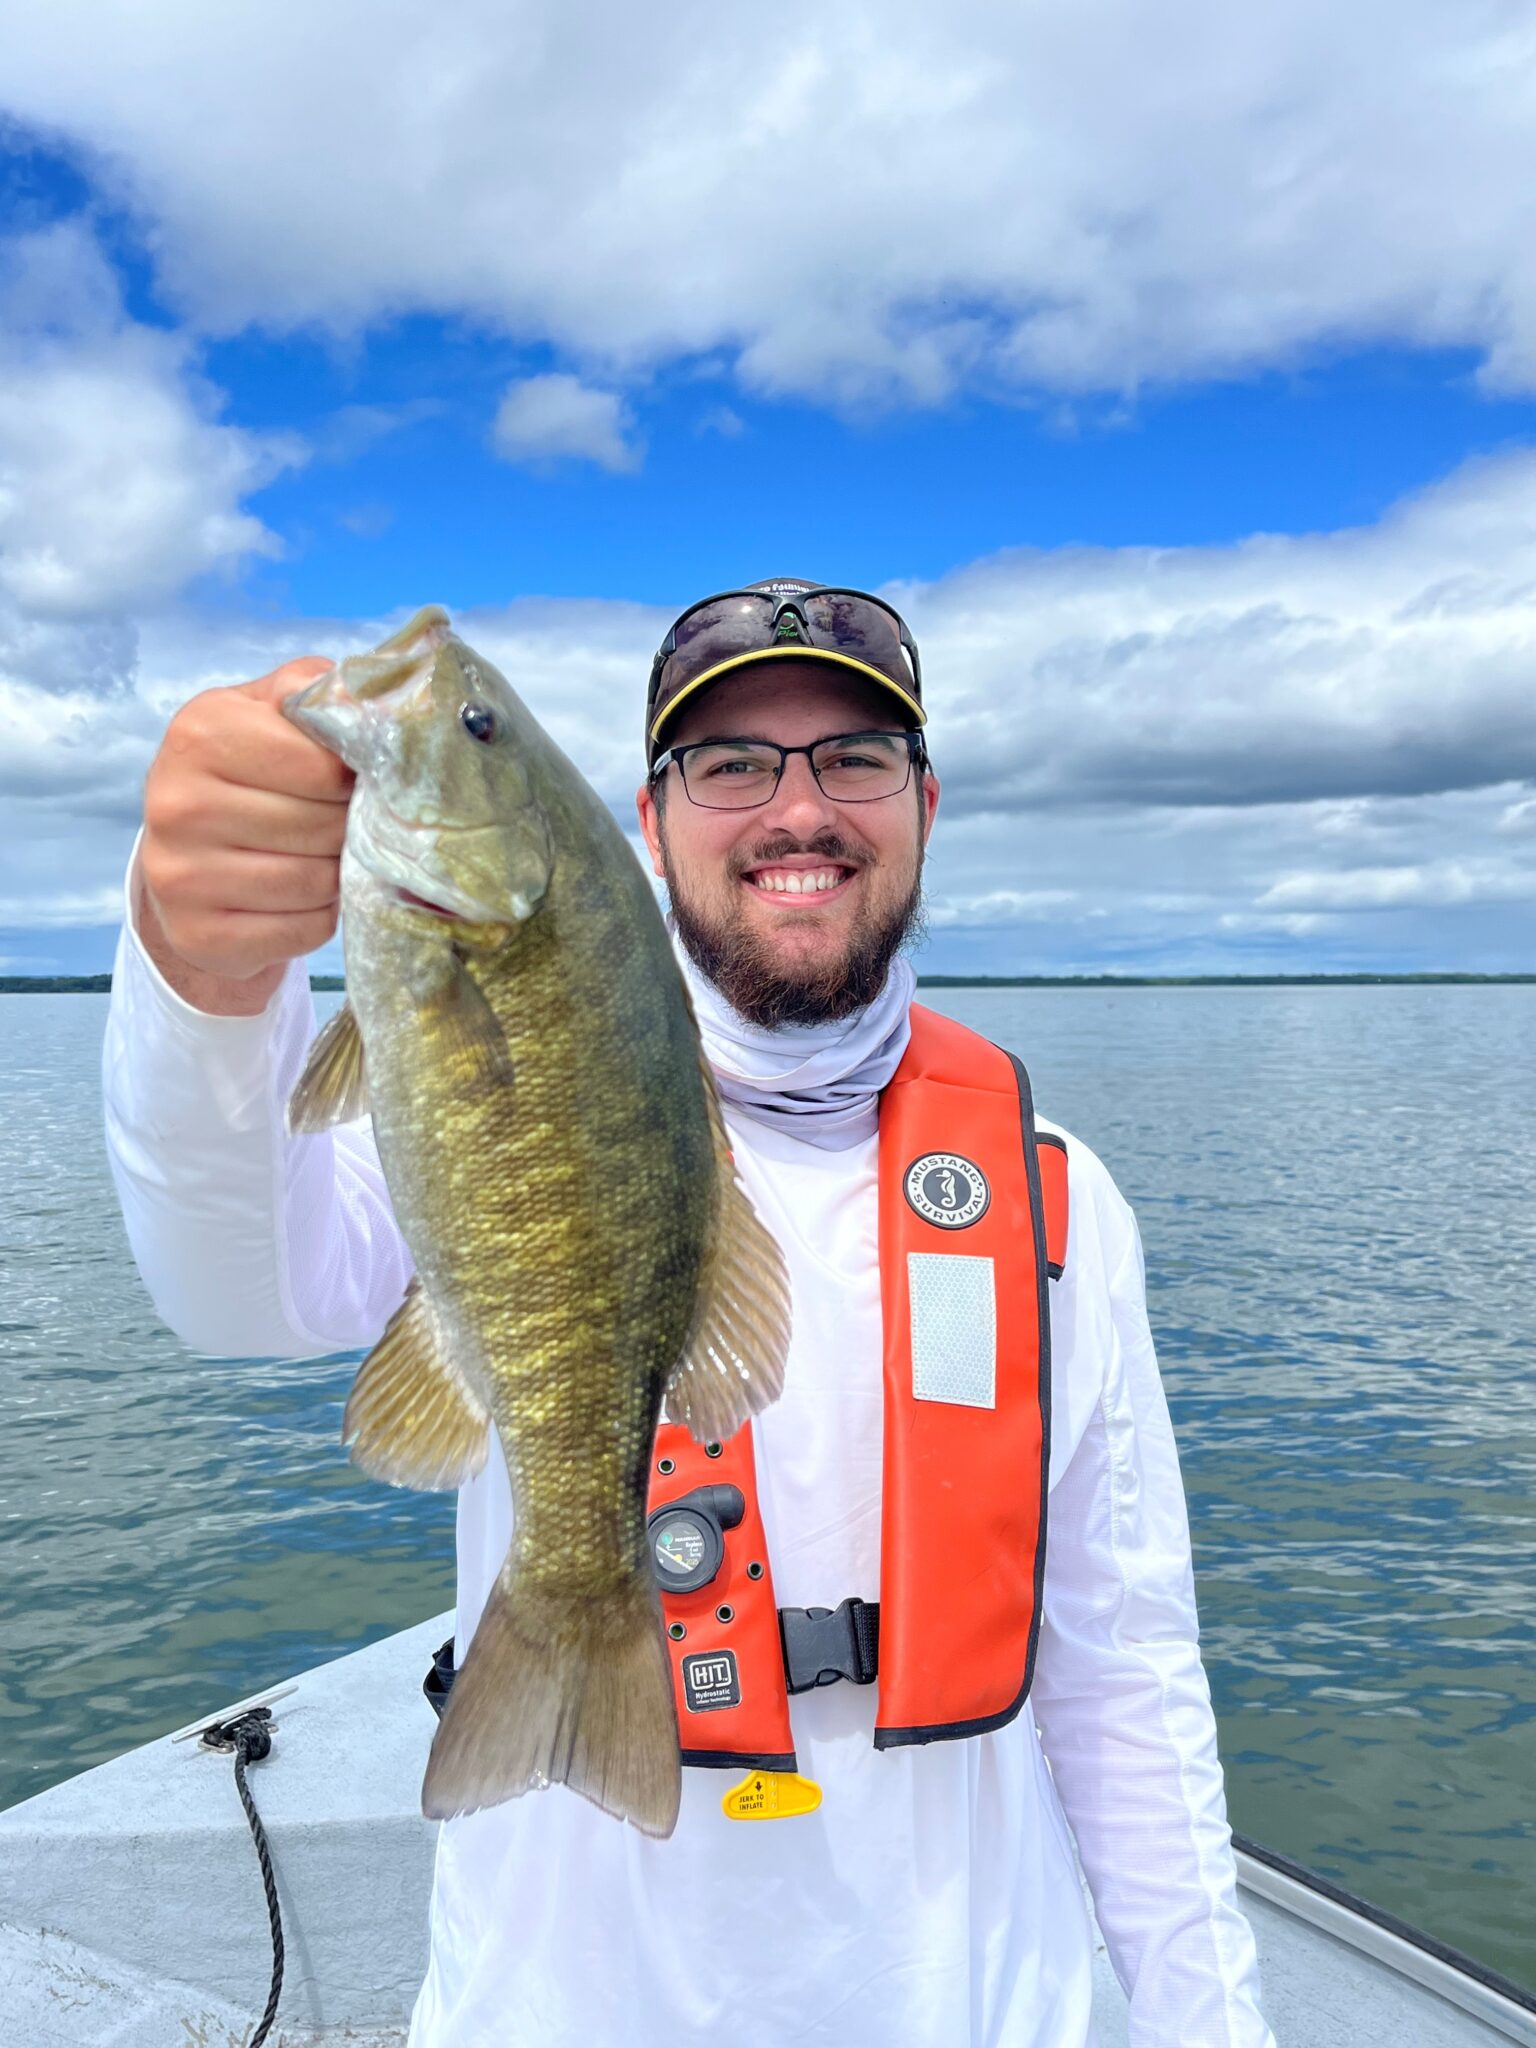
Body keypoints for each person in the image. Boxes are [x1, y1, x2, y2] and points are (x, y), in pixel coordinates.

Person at [102, 579, 1277, 2048]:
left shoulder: (1056, 1195)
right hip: (566, 2001)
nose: (799, 808)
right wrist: (202, 971)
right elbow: (231, 1286)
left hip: (970, 2003)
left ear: (923, 804)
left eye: (853, 756)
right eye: (728, 763)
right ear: (649, 826)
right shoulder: (509, 1079)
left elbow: (1124, 1669)